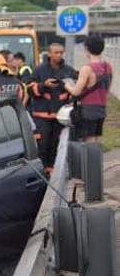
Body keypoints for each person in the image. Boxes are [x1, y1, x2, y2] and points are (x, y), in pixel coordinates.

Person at [29, 43, 78, 173]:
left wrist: (72, 102)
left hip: (60, 117)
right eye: (56, 52)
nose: (59, 55)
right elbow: (30, 91)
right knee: (42, 145)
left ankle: (53, 173)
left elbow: (76, 92)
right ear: (49, 54)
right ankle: (42, 172)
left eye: (61, 52)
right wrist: (43, 85)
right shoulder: (39, 70)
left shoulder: (69, 71)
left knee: (56, 146)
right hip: (41, 117)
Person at [64, 35, 113, 143]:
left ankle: (91, 160)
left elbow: (76, 91)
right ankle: (95, 159)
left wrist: (67, 86)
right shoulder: (107, 66)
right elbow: (107, 88)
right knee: (95, 137)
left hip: (88, 109)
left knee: (89, 139)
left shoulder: (87, 69)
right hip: (101, 108)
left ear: (86, 48)